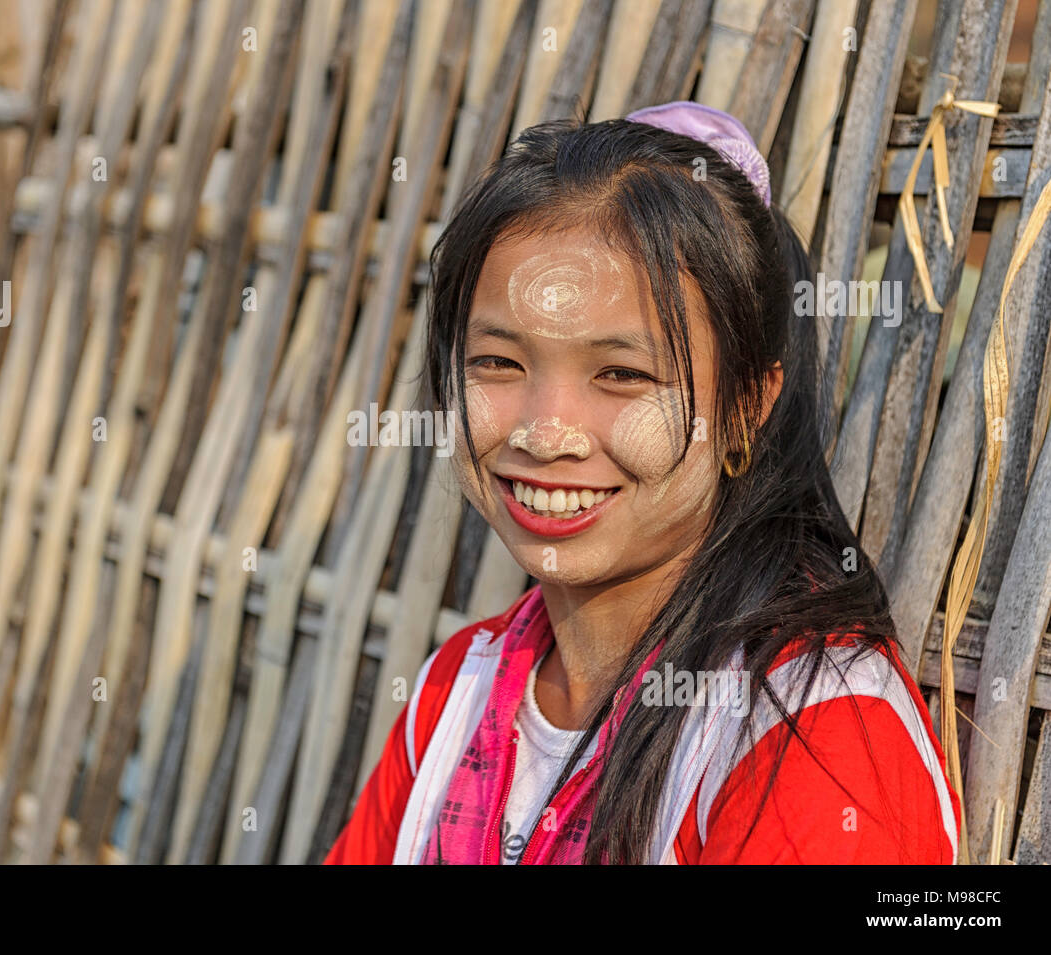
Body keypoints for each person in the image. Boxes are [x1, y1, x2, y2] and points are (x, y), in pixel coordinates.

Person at [324, 102, 959, 865]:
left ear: (744, 409)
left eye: (622, 374)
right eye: (498, 362)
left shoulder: (815, 735)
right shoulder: (451, 699)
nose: (545, 432)